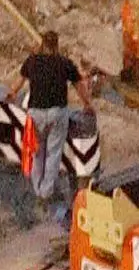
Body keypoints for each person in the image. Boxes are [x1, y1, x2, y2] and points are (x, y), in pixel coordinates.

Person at [17, 30, 91, 213]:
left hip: (35, 114)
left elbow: (18, 81)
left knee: (37, 152)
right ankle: (46, 192)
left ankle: (37, 188)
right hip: (57, 114)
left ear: (42, 44)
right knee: (53, 153)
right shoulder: (64, 63)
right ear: (57, 45)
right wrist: (87, 104)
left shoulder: (32, 61)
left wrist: (11, 94)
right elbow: (79, 85)